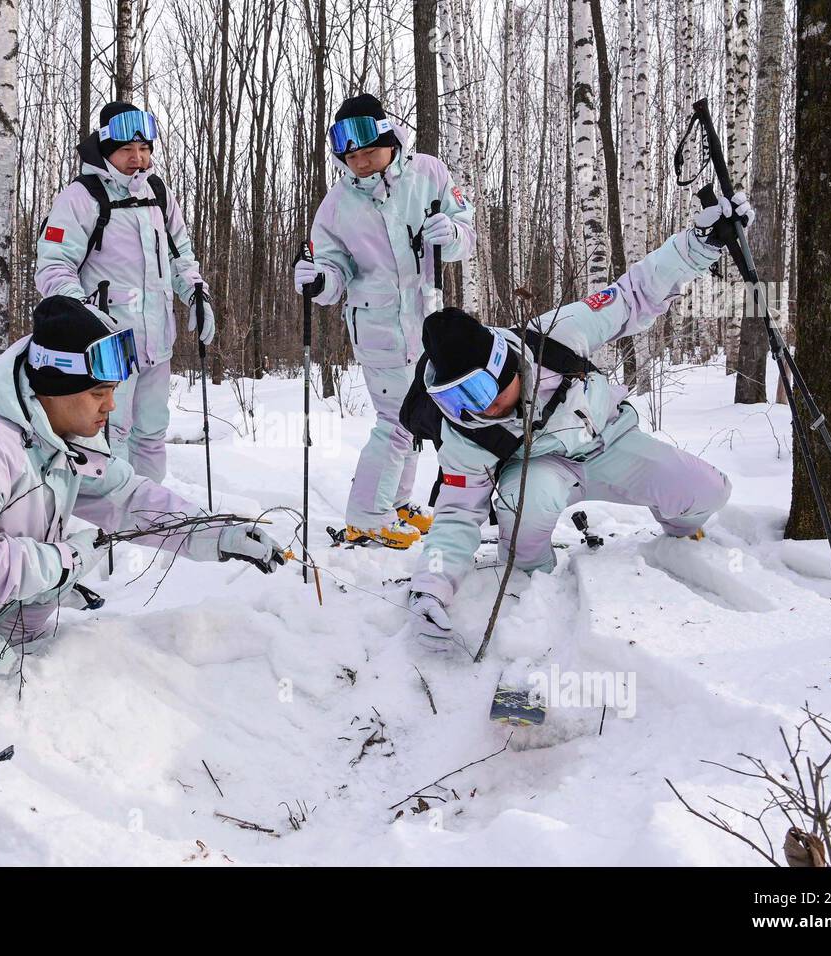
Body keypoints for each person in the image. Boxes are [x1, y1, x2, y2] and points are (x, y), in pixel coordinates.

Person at [0, 296, 284, 695]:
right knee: (20, 699)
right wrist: (66, 562)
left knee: (44, 634)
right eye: (99, 393)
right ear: (54, 386)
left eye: (112, 392)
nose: (110, 406)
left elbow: (126, 498)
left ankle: (12, 640)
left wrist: (217, 534)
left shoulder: (60, 436)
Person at [403, 192, 756, 649]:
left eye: (479, 390)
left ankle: (679, 536)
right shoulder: (464, 429)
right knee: (522, 506)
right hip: (540, 473)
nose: (475, 408)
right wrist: (429, 588)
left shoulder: (557, 334)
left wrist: (699, 245)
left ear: (506, 365)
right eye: (454, 398)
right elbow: (454, 519)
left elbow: (633, 294)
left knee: (710, 491)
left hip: (611, 445)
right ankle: (532, 584)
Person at [294, 93, 476, 549]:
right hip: (377, 326)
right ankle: (367, 515)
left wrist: (451, 234)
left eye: (369, 152)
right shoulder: (336, 206)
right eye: (350, 157)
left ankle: (396, 503)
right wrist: (319, 281)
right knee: (396, 420)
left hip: (428, 319)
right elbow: (335, 271)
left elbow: (465, 234)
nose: (361, 163)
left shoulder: (428, 173)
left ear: (389, 138)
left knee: (418, 417)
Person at [34, 102, 209, 483]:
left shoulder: (159, 194)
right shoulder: (81, 197)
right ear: (107, 150)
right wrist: (83, 316)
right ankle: (110, 526)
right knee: (108, 435)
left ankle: (151, 518)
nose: (138, 159)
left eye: (145, 149)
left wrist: (196, 294)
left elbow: (182, 256)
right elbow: (52, 266)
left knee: (151, 433)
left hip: (158, 340)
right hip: (108, 344)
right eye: (128, 150)